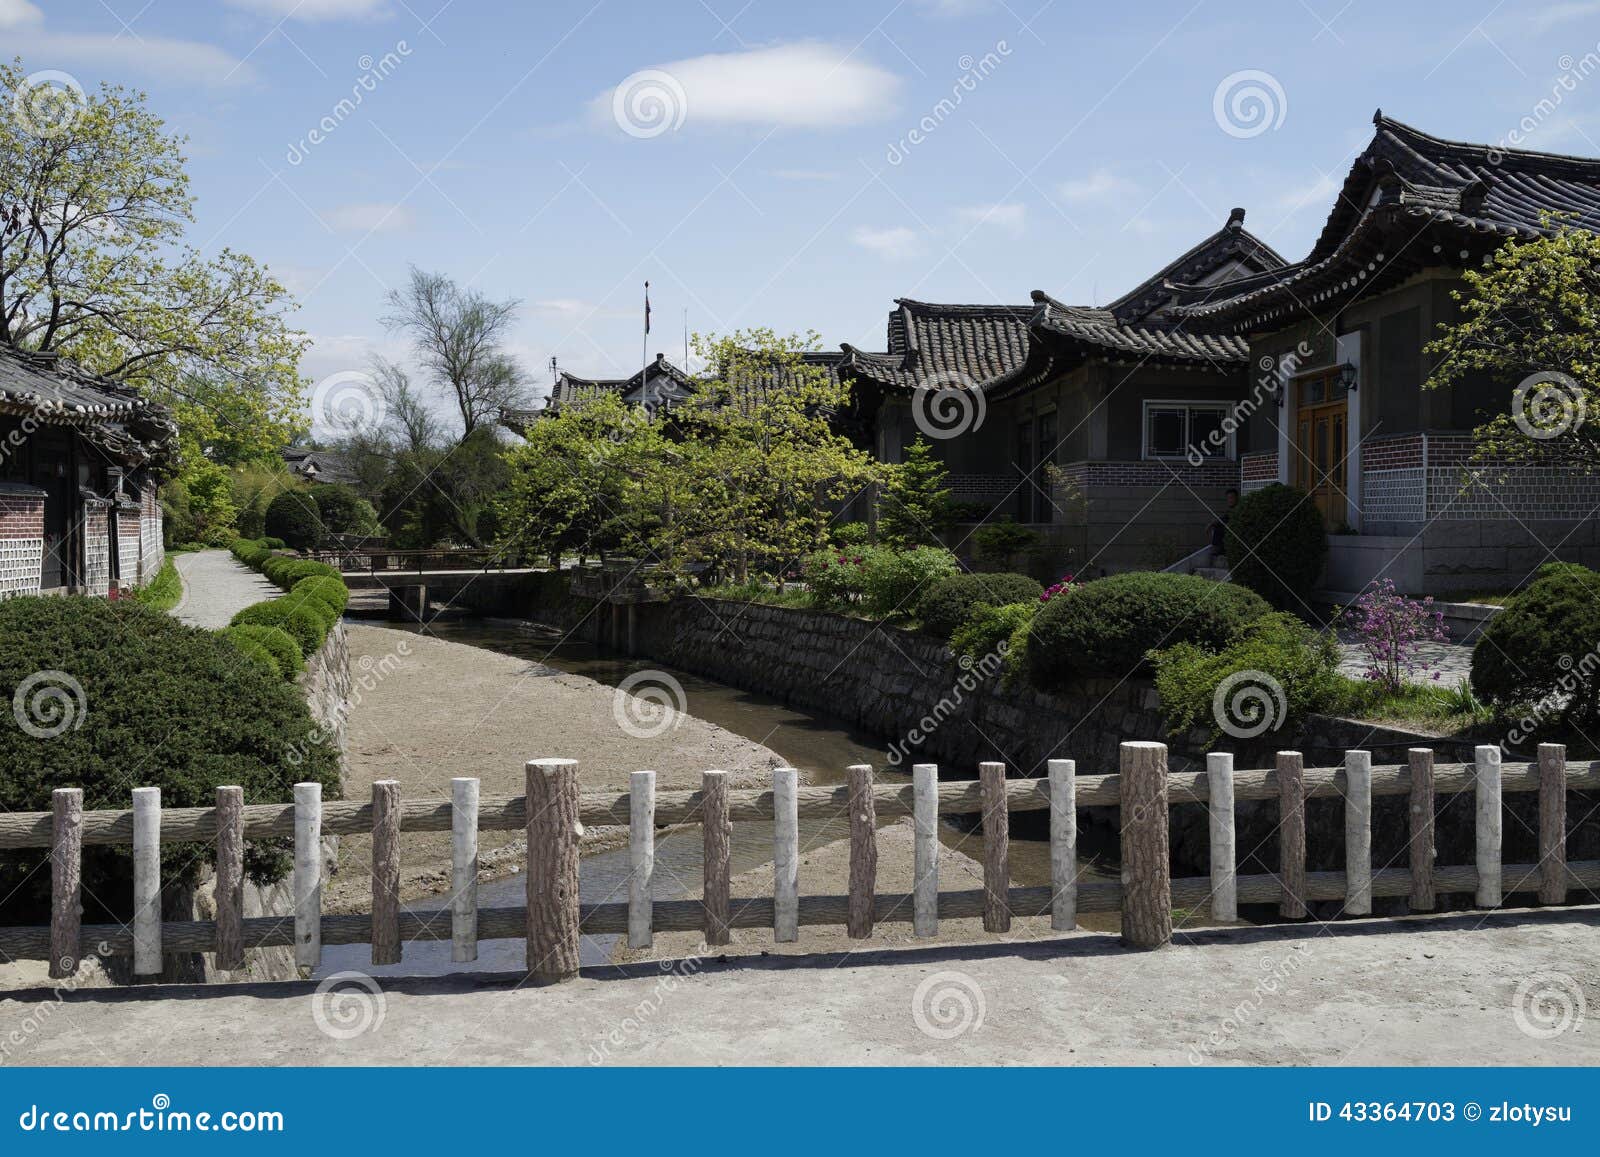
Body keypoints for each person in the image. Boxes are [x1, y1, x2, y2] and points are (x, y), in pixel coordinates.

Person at [1209, 488, 1239, 559]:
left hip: (1236, 532)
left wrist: (1212, 524)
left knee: (1220, 528)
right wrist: (1211, 524)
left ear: (1237, 498)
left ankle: (1219, 549)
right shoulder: (1229, 510)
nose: (1230, 500)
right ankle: (1218, 548)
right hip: (1230, 531)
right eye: (1228, 498)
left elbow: (1227, 519)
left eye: (1232, 498)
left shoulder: (1238, 508)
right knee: (1217, 525)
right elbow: (1222, 518)